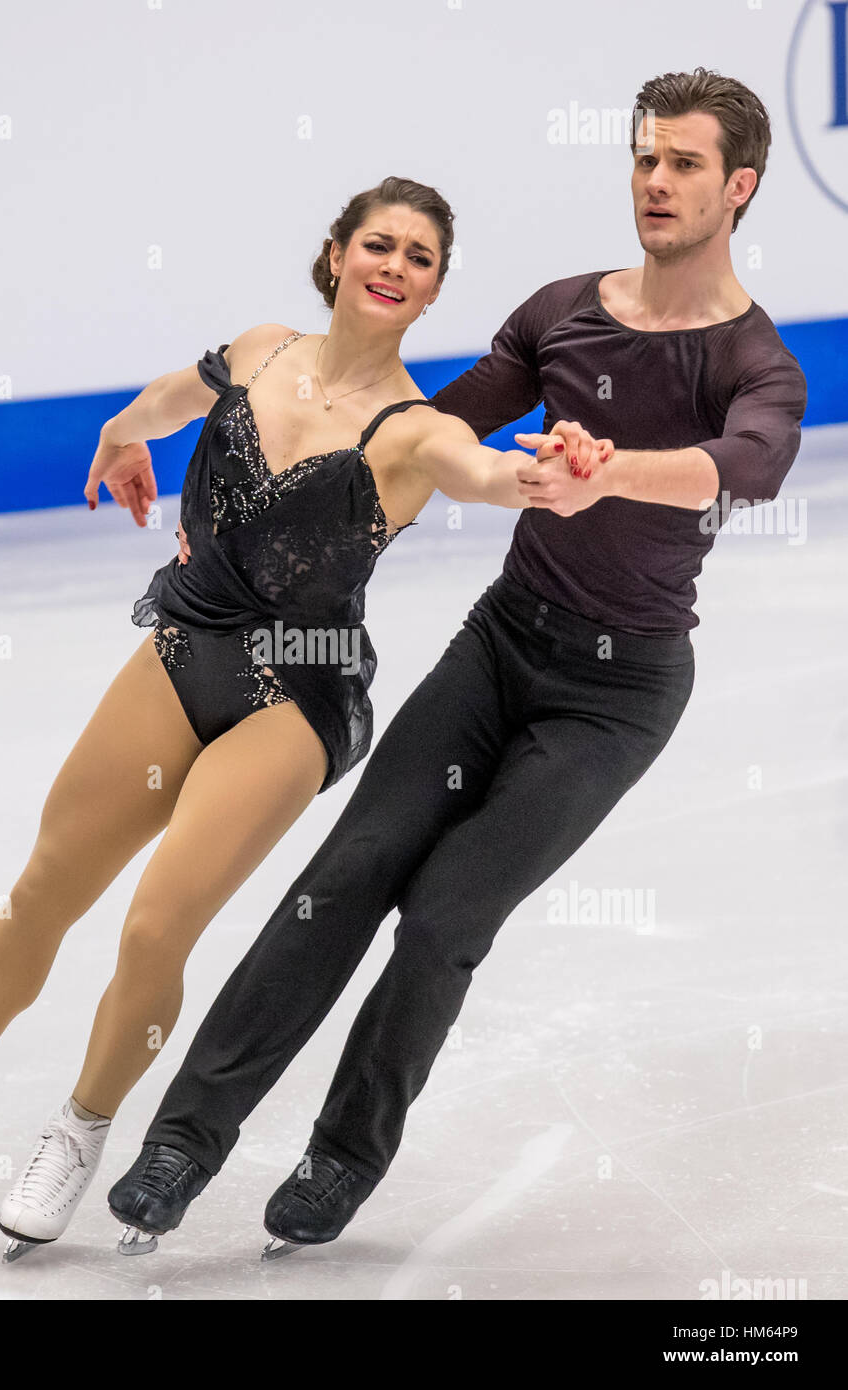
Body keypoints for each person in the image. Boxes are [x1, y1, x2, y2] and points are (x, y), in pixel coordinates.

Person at [0, 176, 608, 1262]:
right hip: (182, 646)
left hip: (297, 689)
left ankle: (80, 1129)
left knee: (152, 922)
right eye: (378, 243)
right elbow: (171, 397)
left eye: (419, 259)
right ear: (333, 254)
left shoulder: (419, 430)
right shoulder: (262, 348)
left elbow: (489, 476)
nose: (394, 266)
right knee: (43, 886)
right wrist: (119, 433)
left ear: (429, 293)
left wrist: (548, 476)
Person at [106, 68, 809, 1259]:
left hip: (616, 693)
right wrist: (252, 520)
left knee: (441, 919)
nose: (652, 180)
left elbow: (740, 466)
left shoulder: (754, 362)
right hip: (500, 647)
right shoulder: (561, 312)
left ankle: (340, 1158)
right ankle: (183, 1139)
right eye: (643, 157)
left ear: (735, 186)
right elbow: (415, 436)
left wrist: (604, 470)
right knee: (346, 872)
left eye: (682, 164)